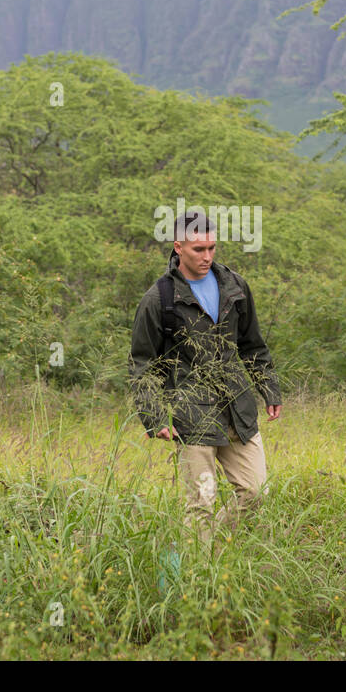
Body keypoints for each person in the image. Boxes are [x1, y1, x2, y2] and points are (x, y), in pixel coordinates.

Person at [129, 210, 282, 550]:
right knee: (202, 502)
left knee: (255, 491)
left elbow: (252, 344)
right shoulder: (159, 299)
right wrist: (153, 417)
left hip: (238, 409)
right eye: (199, 249)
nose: (207, 256)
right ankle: (197, 580)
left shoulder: (235, 286)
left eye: (212, 247)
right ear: (178, 247)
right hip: (191, 415)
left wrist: (268, 387)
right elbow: (141, 364)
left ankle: (213, 551)